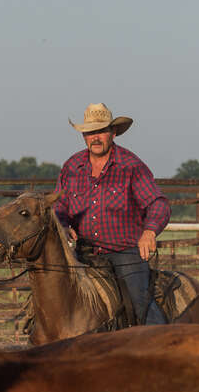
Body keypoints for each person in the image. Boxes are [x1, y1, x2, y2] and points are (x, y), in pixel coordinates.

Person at [53, 102, 170, 325]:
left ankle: (160, 344)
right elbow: (59, 205)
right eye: (90, 133)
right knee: (54, 292)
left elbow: (158, 202)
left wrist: (149, 232)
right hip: (82, 252)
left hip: (124, 252)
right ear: (84, 136)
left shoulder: (130, 166)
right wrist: (63, 225)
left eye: (101, 131)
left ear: (113, 133)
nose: (95, 138)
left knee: (140, 301)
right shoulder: (72, 167)